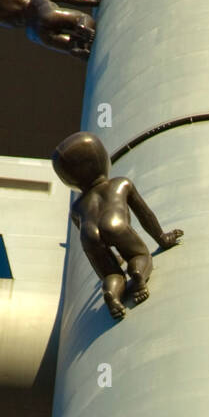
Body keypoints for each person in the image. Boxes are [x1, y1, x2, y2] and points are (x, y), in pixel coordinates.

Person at [52, 131, 183, 318]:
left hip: (89, 234)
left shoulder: (77, 207)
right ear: (102, 159)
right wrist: (163, 238)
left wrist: (114, 259)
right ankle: (137, 274)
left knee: (111, 274)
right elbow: (145, 215)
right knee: (139, 254)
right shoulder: (121, 183)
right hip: (115, 224)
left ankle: (112, 294)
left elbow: (89, 242)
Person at [0, 0, 100, 60]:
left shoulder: (31, 34)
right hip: (49, 13)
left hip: (39, 32)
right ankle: (83, 26)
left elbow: (52, 43)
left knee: (66, 44)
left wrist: (71, 49)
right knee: (81, 17)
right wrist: (94, 1)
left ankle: (77, 48)